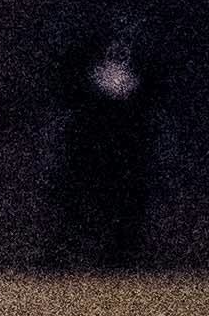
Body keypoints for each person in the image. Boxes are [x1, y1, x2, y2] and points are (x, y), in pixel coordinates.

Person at [39, 16, 161, 271]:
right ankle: (58, 263)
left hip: (127, 147)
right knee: (76, 202)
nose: (120, 46)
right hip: (89, 144)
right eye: (116, 40)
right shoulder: (80, 67)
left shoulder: (145, 71)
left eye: (126, 41)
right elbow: (67, 94)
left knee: (126, 205)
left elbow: (154, 100)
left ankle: (120, 263)